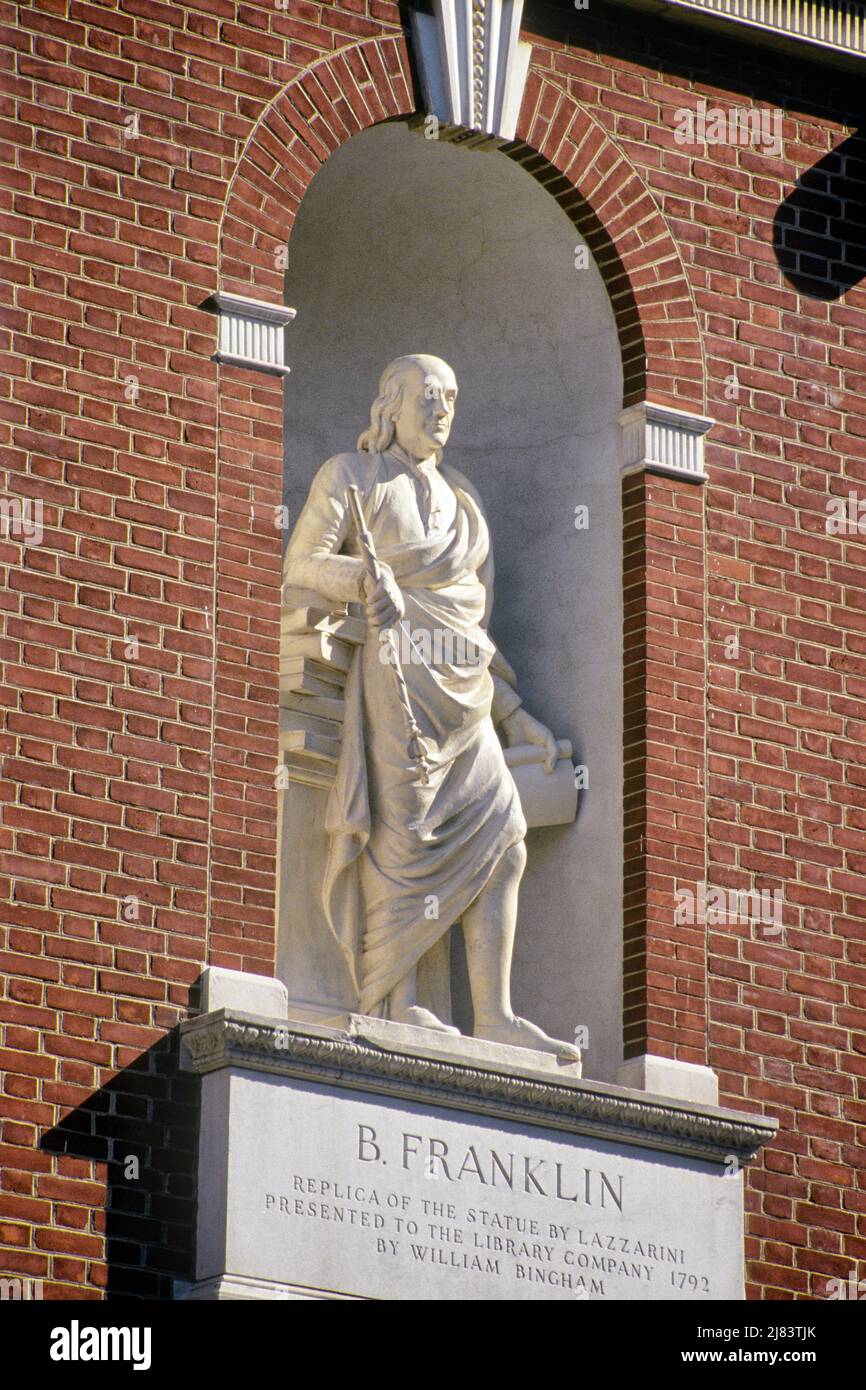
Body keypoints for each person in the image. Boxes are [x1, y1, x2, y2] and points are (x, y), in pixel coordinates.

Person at [283, 354, 580, 1060]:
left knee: (505, 834)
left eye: (450, 397)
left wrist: (513, 713)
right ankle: (395, 997)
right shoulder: (351, 478)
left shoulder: (465, 497)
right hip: (393, 680)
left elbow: (470, 633)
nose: (443, 410)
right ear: (391, 405)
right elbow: (301, 566)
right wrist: (360, 577)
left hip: (464, 698)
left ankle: (496, 1013)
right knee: (405, 836)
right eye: (428, 397)